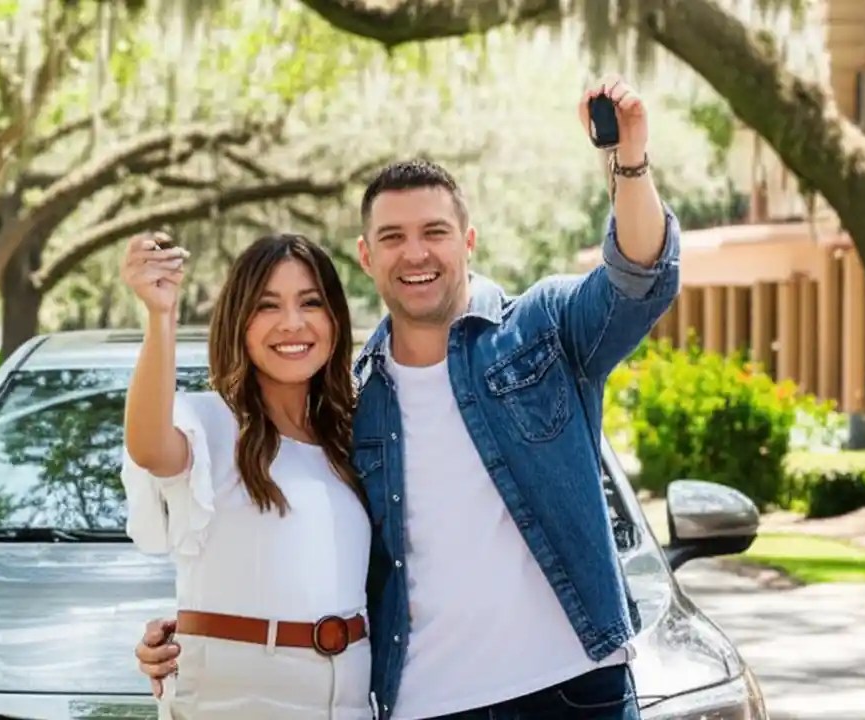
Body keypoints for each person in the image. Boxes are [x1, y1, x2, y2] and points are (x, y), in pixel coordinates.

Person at [132, 75, 681, 720]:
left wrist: (631, 163)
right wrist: (204, 629)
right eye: (392, 237)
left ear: (467, 242)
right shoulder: (354, 406)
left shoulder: (545, 331)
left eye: (434, 232)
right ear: (367, 257)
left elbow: (637, 280)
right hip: (424, 703)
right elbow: (299, 543)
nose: (414, 253)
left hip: (572, 690)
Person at [119, 231, 374, 719]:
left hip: (348, 704)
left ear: (335, 319)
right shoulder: (210, 425)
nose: (292, 323)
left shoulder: (353, 436)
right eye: (267, 306)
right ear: (239, 321)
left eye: (310, 302)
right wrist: (160, 315)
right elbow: (149, 446)